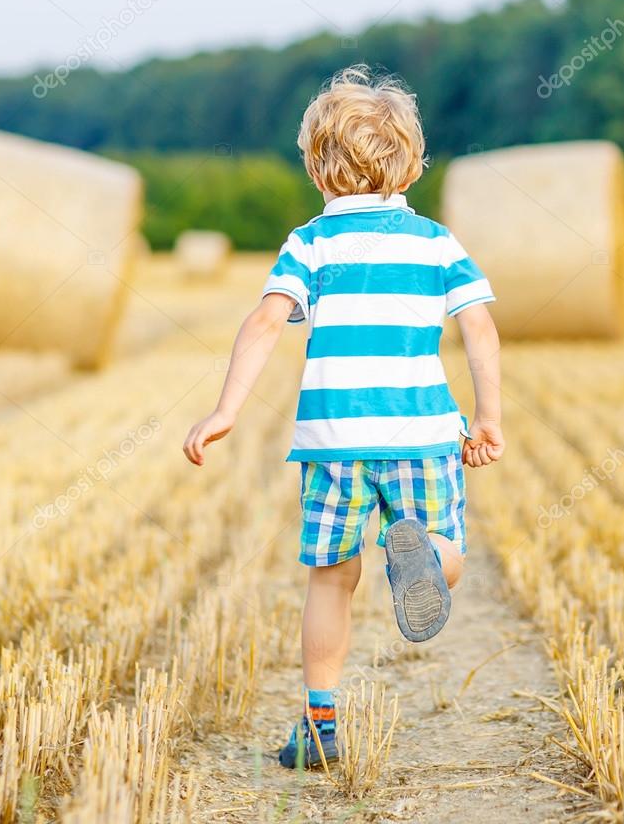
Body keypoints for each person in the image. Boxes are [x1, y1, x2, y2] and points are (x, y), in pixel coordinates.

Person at [182, 65, 504, 769]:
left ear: (318, 169)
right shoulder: (435, 243)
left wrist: (225, 409)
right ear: (411, 164)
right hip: (421, 433)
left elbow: (265, 324)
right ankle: (419, 555)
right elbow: (478, 330)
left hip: (332, 441)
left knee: (329, 575)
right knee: (444, 547)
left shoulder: (311, 244)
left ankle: (321, 726)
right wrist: (488, 417)